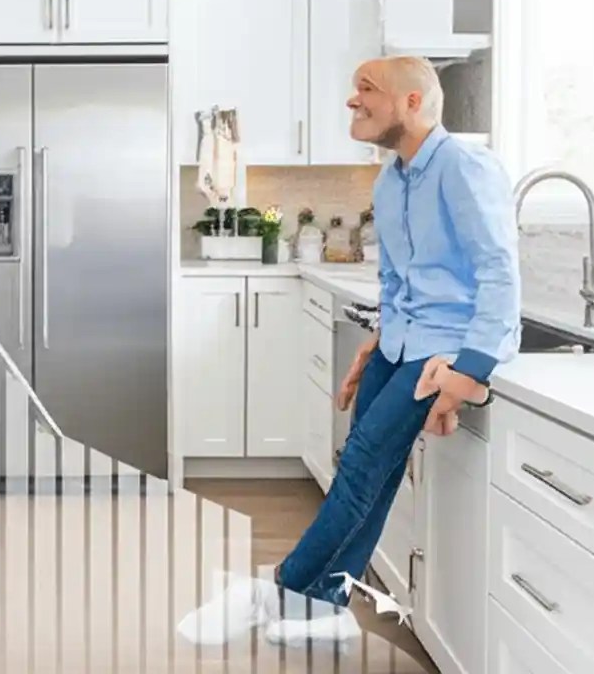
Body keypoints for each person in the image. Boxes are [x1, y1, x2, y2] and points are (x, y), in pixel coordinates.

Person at [178, 56, 520, 648]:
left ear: (413, 102)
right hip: (399, 345)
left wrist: (470, 372)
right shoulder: (390, 183)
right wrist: (378, 342)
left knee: (362, 464)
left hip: (441, 353)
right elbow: (398, 280)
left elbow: (499, 272)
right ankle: (325, 606)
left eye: (367, 88)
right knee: (370, 475)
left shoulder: (464, 167)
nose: (351, 100)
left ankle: (277, 588)